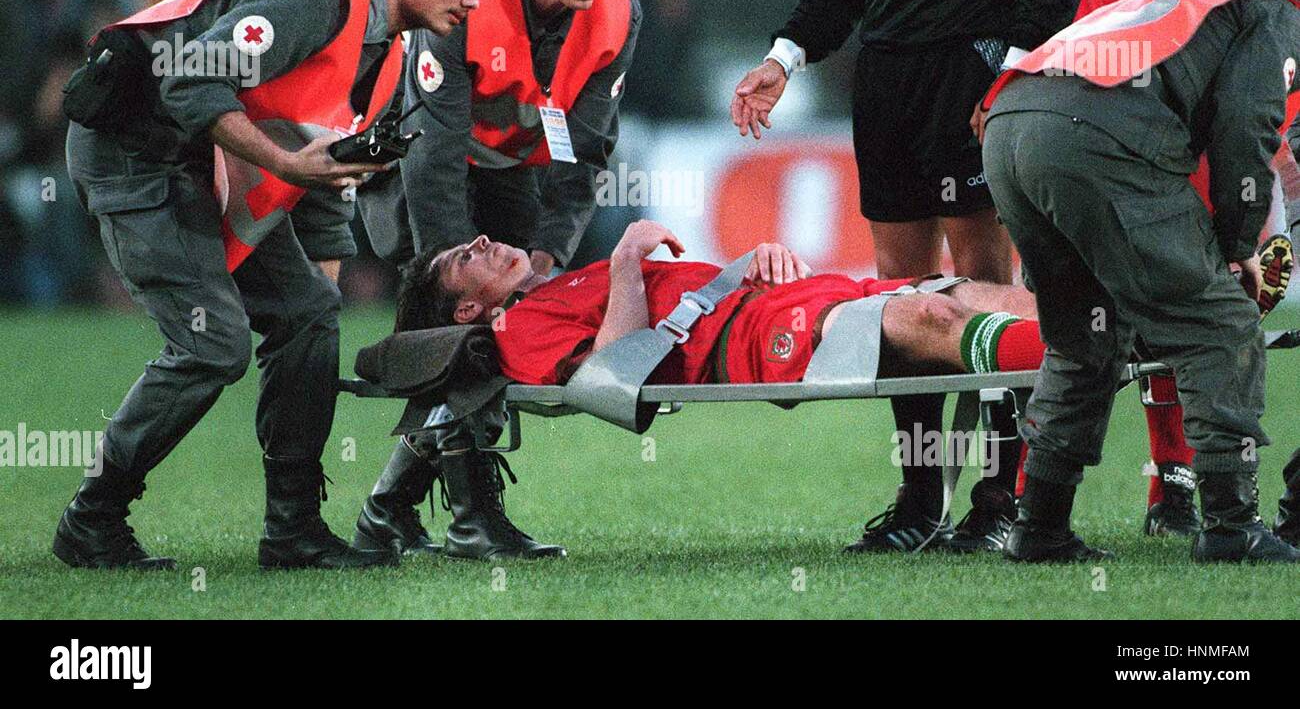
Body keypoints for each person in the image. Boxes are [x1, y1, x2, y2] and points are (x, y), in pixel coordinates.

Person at [55, 0, 500, 570]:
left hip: (206, 158)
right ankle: (92, 517)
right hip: (131, 148)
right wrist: (289, 164)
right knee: (214, 343)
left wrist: (313, 315)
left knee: (311, 312)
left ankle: (293, 530)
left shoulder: (387, 52)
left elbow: (325, 170)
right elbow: (190, 75)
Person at [728, 0, 1085, 553]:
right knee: (900, 299)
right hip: (886, 86)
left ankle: (1000, 496)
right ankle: (922, 497)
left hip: (971, 80)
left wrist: (1012, 72)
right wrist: (784, 58)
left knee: (990, 296)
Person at [391, 222, 1053, 559]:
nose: (480, 241)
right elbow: (611, 378)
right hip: (750, 337)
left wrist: (760, 258)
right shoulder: (518, 327)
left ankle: (1100, 336)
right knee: (934, 319)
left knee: (993, 296)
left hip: (783, 295)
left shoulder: (557, 285)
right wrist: (626, 259)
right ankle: (1087, 356)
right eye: (463, 259)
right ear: (467, 311)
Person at [352, 0, 641, 557]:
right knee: (470, 333)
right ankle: (473, 516)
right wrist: (463, 270)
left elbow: (587, 154)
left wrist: (548, 257)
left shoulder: (620, 12)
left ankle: (390, 511)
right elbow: (435, 150)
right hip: (411, 166)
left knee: (502, 335)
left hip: (512, 168)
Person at [977, 0, 1300, 563]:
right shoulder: (1278, 15)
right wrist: (1237, 248)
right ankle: (1232, 526)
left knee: (1083, 335)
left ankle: (1038, 525)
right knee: (1220, 325)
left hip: (1010, 125)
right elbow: (1245, 125)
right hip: (1088, 135)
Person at [1048, 0, 1289, 537]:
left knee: (1191, 306)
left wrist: (1255, 143)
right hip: (1081, 117)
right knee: (1079, 314)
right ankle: (1029, 506)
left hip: (1192, 121)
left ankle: (1172, 489)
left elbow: (1257, 12)